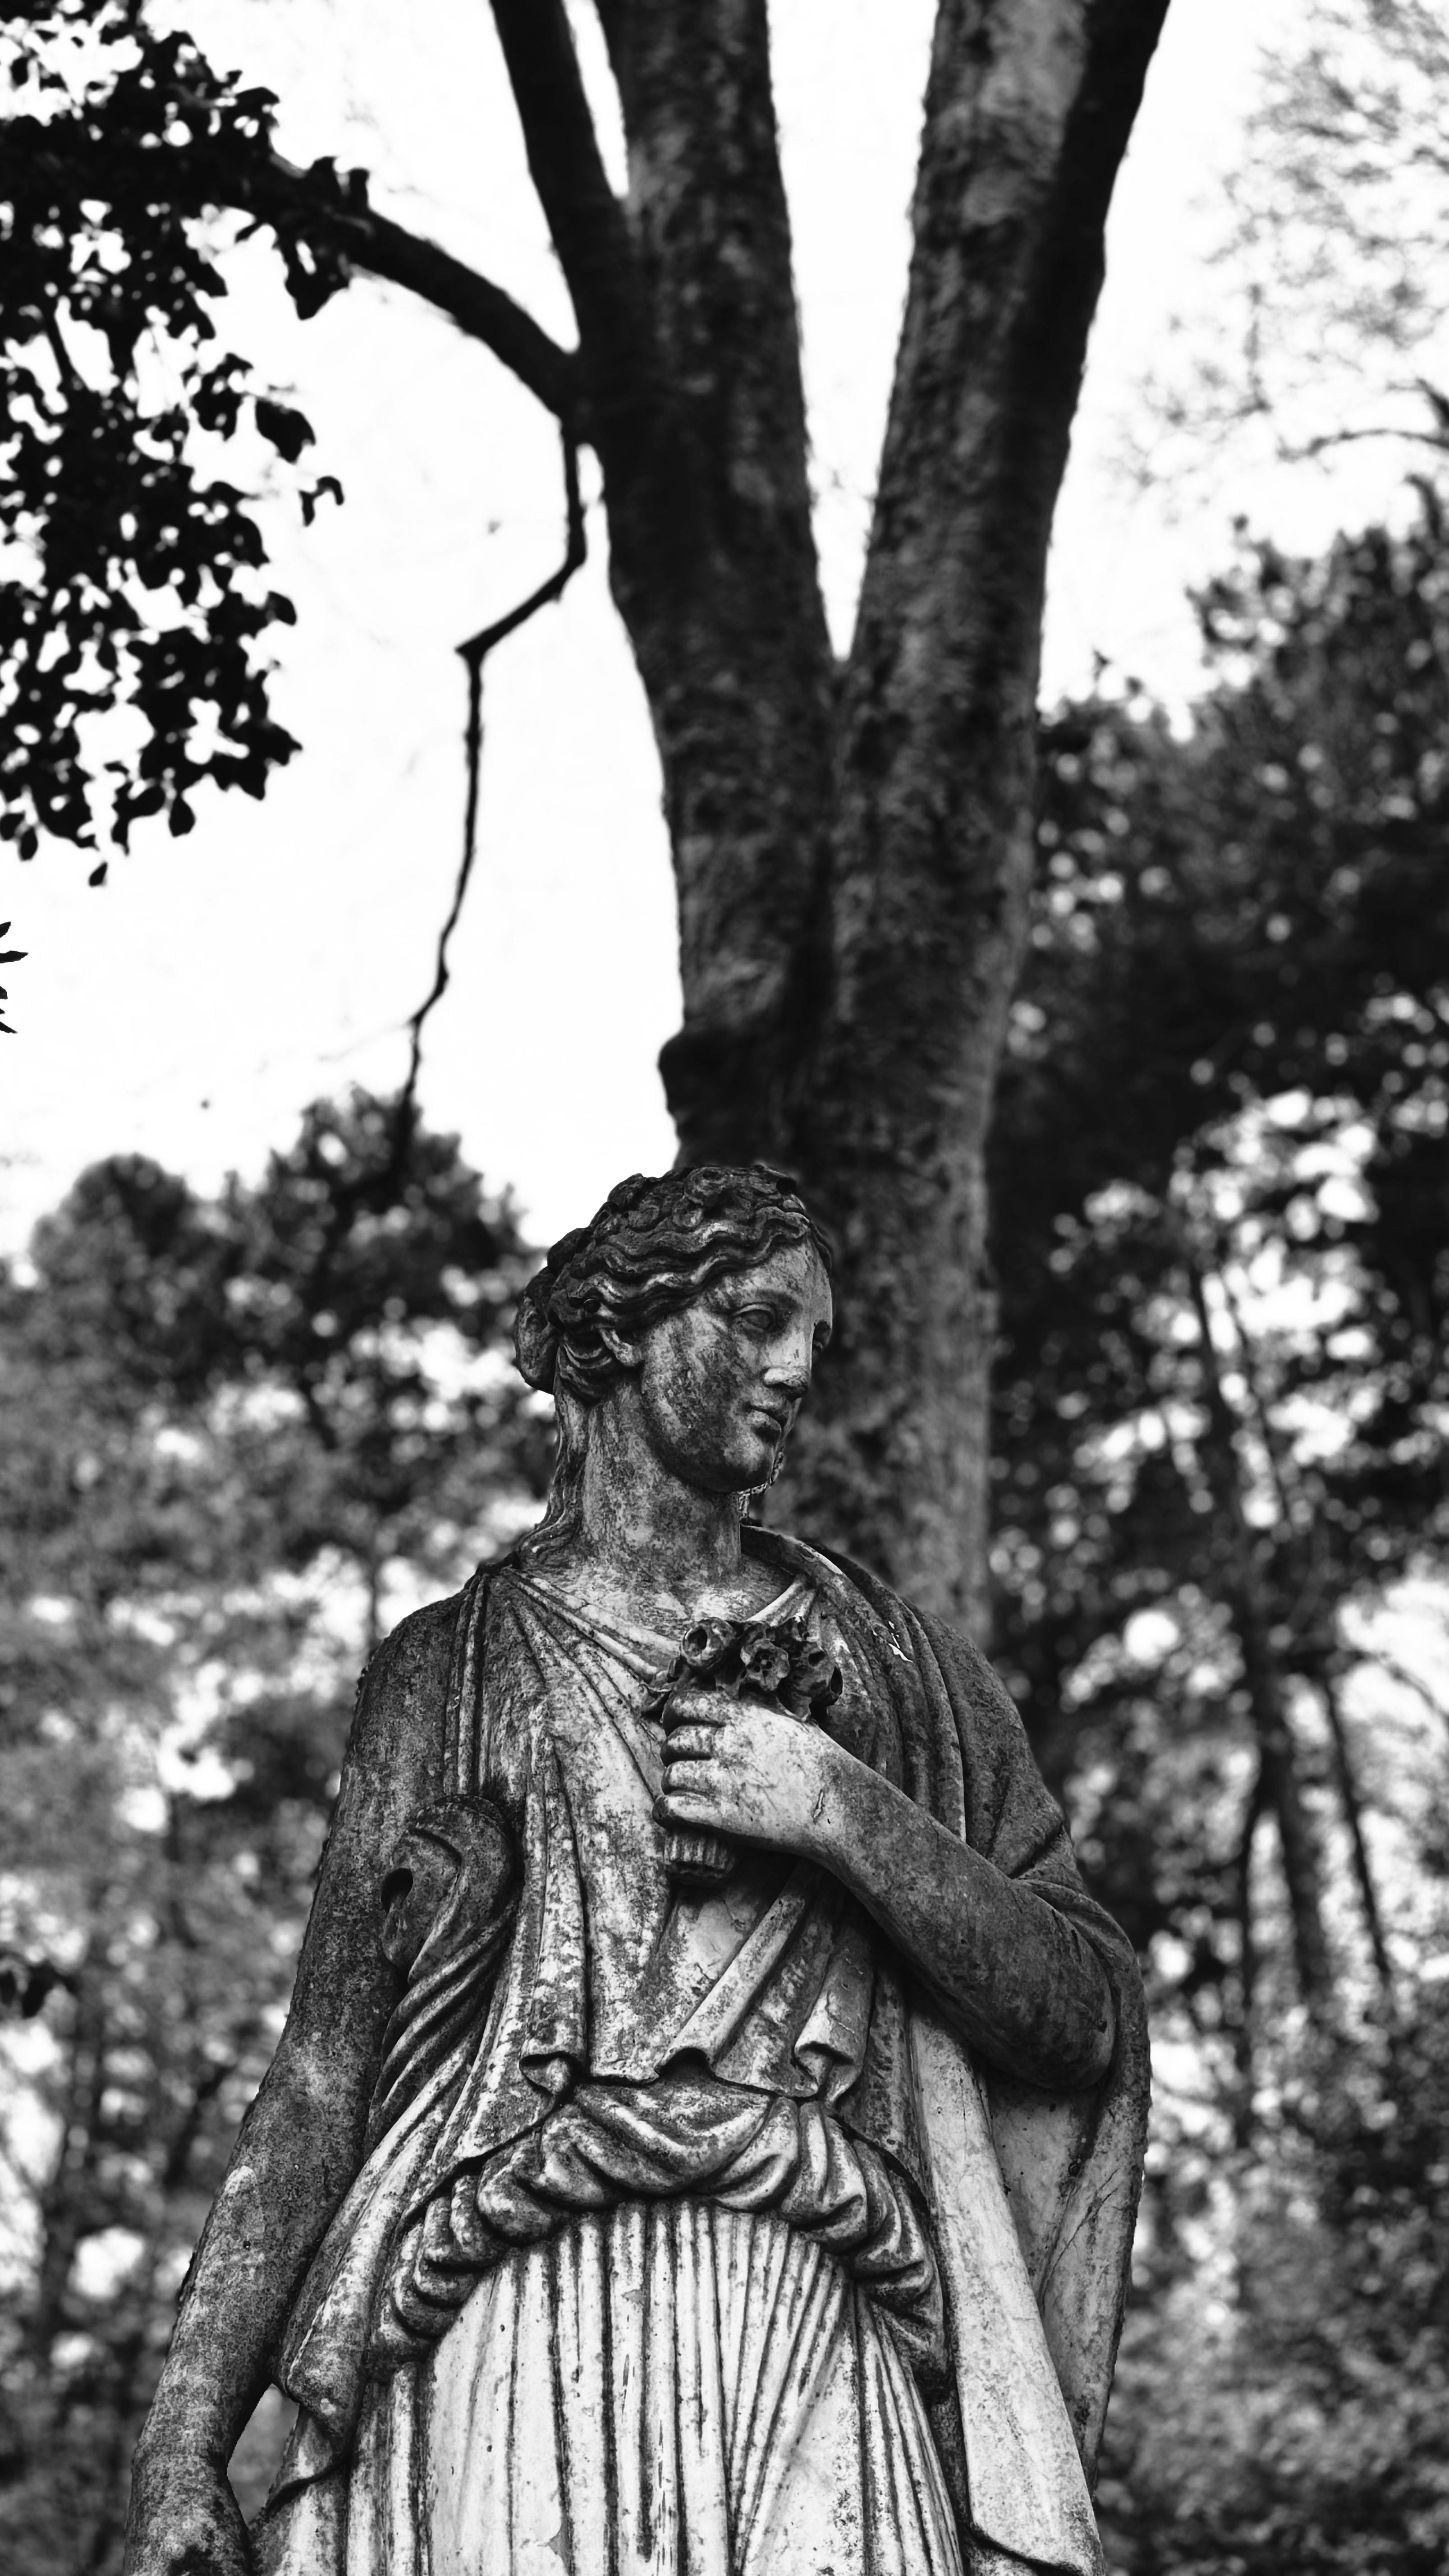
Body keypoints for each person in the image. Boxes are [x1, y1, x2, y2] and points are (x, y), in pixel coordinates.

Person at [124, 1164, 1148, 2576]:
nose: (796, 1368)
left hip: (824, 2326)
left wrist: (846, 1813)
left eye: (815, 1338)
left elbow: (1080, 2022)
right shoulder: (448, 1673)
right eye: (755, 1319)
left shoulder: (903, 1671)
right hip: (507, 2323)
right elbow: (320, 2078)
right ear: (620, 1329)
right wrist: (182, 2453)